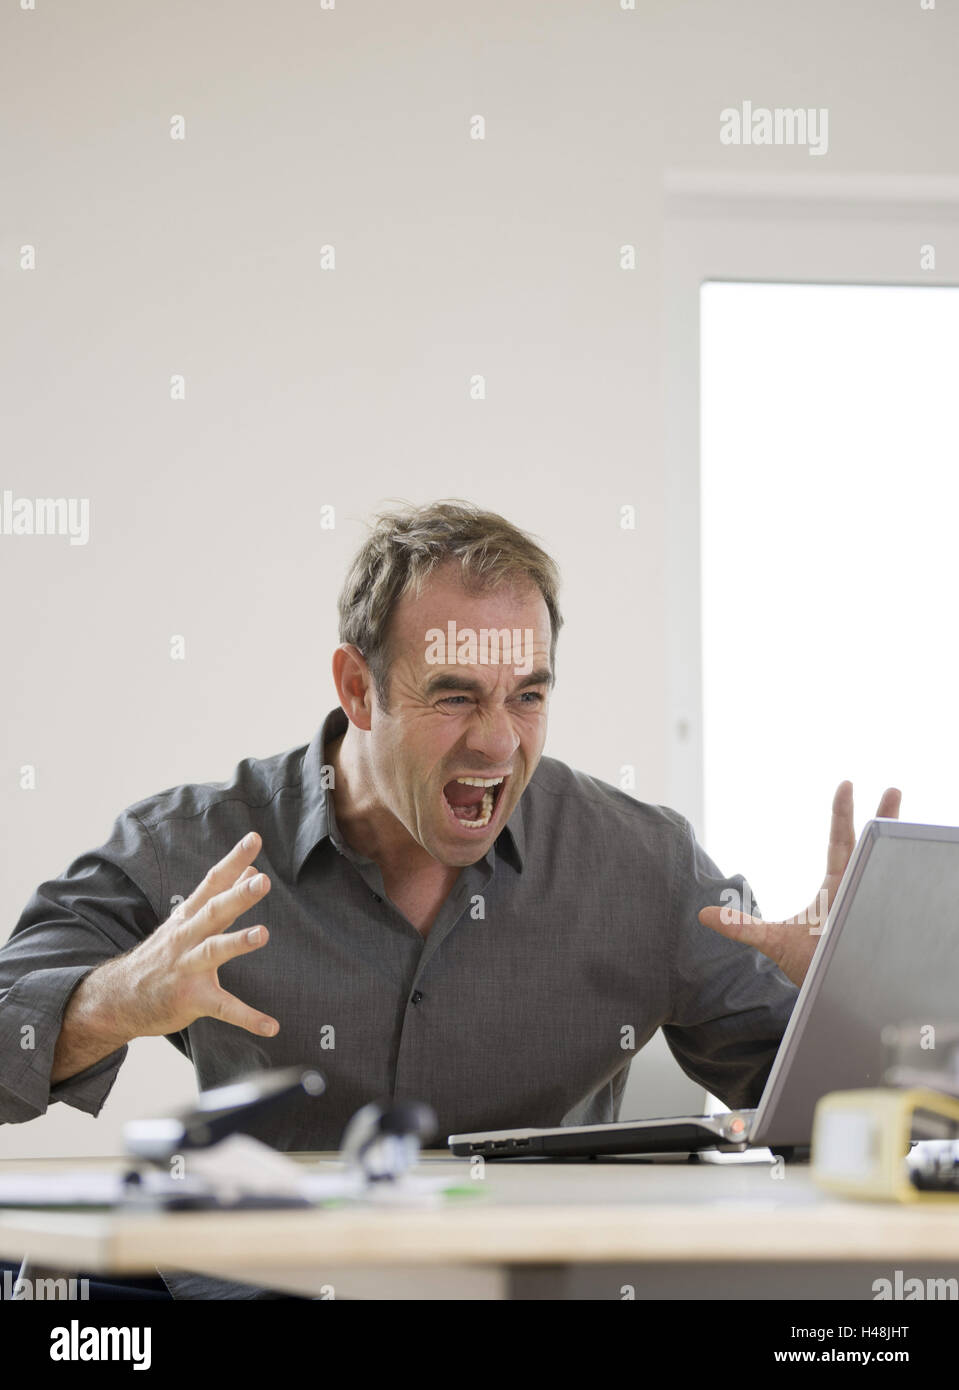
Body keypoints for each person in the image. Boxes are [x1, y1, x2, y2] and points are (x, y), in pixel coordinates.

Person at [0, 499, 901, 1297]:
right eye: (455, 697)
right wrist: (114, 999)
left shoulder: (644, 865)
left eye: (527, 696)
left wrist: (855, 1000)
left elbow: (836, 1117)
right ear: (358, 688)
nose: (497, 743)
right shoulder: (191, 846)